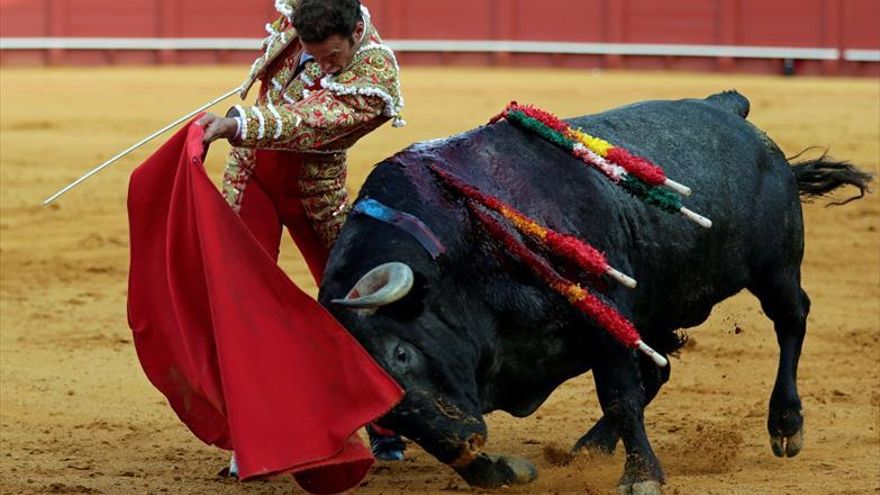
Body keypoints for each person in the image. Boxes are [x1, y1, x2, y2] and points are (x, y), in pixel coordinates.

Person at [197, 0, 406, 464]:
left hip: (315, 193)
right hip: (252, 174)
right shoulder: (305, 16)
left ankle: (386, 422)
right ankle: (254, 428)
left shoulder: (375, 75)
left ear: (356, 31)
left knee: (356, 306)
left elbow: (306, 123)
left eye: (333, 56)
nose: (325, 64)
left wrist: (237, 123)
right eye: (316, 55)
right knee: (238, 299)